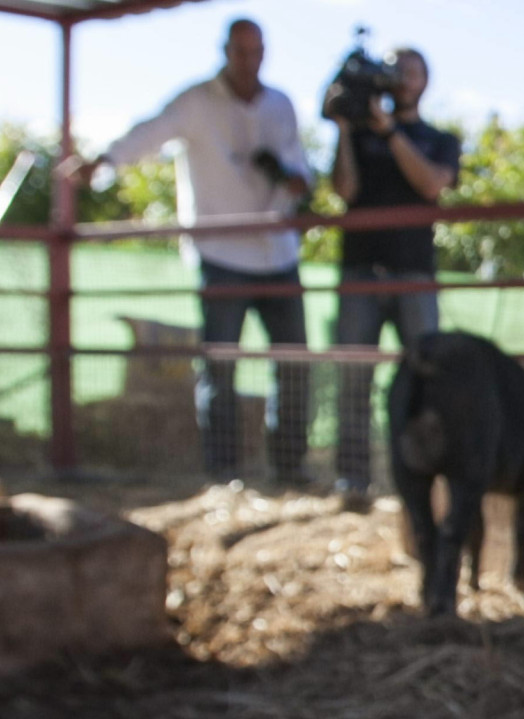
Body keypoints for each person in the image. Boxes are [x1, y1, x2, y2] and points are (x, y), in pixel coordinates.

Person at [85, 19, 314, 483]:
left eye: (257, 52)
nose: (249, 61)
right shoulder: (196, 101)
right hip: (222, 257)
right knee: (220, 366)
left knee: (294, 363)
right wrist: (105, 161)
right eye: (241, 51)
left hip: (278, 253)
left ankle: (291, 470)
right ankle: (224, 472)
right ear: (225, 51)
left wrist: (289, 177)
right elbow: (150, 131)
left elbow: (302, 173)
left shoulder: (281, 105)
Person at [324, 47, 461, 508]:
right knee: (353, 379)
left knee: (427, 380)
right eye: (395, 69)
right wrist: (346, 128)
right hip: (359, 271)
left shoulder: (438, 138)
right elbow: (344, 190)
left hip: (414, 273)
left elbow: (431, 184)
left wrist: (391, 133)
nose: (403, 77)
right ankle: (353, 482)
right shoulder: (358, 135)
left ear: (426, 81)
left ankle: (422, 481)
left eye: (413, 70)